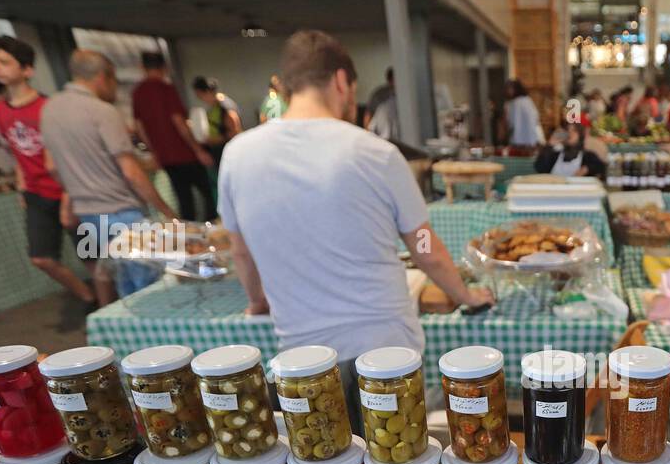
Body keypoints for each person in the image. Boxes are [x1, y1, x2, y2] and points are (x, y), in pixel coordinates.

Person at [217, 30, 493, 424]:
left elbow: (240, 250)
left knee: (325, 458)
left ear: (288, 85)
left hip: (304, 359)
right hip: (385, 351)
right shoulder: (377, 153)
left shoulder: (237, 155)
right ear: (341, 81)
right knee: (395, 457)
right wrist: (466, 295)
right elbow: (423, 245)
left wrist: (258, 302)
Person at [41, 50, 177, 304]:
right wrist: (167, 211)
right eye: (114, 81)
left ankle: (132, 329)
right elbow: (131, 171)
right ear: (102, 77)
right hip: (121, 211)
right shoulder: (102, 111)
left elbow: (52, 167)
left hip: (89, 215)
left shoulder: (49, 110)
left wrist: (74, 196)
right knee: (151, 287)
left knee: (125, 284)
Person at [0, 35, 95, 306]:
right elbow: (15, 154)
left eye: (4, 62)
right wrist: (22, 188)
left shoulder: (48, 107)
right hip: (36, 194)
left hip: (68, 191)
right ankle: (88, 296)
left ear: (27, 70)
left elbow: (65, 155)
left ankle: (108, 300)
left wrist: (68, 198)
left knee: (89, 253)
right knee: (41, 258)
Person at [132, 52, 215, 221]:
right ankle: (214, 229)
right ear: (165, 67)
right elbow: (178, 121)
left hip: (165, 158)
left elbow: (139, 127)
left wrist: (154, 151)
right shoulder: (166, 89)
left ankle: (189, 232)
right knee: (208, 195)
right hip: (185, 154)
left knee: (184, 200)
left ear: (142, 67)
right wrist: (198, 150)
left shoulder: (138, 93)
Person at [191, 76, 241, 166]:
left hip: (227, 153)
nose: (199, 98)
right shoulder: (213, 107)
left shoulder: (225, 107)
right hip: (219, 153)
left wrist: (212, 140)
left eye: (199, 95)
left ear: (207, 92)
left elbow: (234, 132)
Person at [534, 124, 606, 180]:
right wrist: (549, 145)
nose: (570, 133)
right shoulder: (555, 154)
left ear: (580, 136)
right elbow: (540, 168)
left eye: (574, 131)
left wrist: (587, 168)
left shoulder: (587, 156)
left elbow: (602, 167)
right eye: (567, 130)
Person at [504, 79, 543, 149]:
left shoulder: (515, 103)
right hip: (529, 138)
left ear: (516, 89)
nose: (508, 91)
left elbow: (511, 122)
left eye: (510, 89)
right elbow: (536, 116)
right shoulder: (527, 100)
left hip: (519, 139)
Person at [365, 68, 399, 140]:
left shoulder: (405, 95)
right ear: (389, 80)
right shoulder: (379, 95)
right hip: (382, 136)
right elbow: (368, 115)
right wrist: (368, 137)